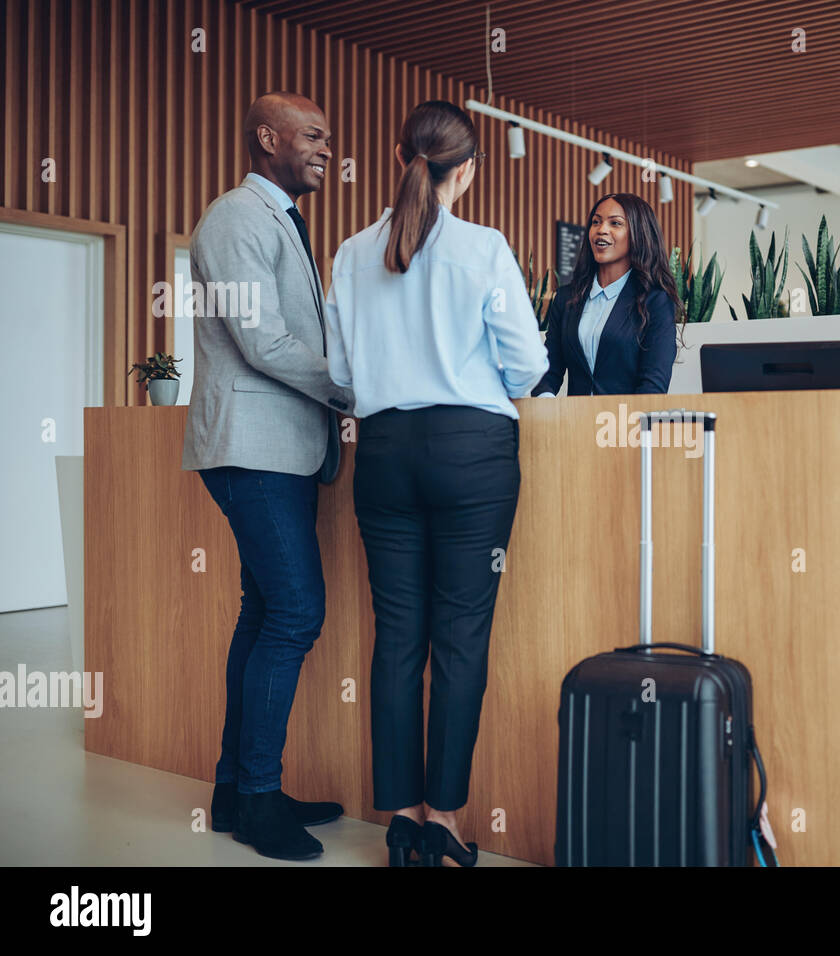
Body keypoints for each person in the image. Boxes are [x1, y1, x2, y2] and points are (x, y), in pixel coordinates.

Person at [323, 100, 548, 867]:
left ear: (398, 154)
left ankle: (403, 820)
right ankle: (446, 820)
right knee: (459, 639)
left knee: (398, 639)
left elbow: (340, 376)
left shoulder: (352, 253)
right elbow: (526, 367)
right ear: (470, 171)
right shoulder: (484, 249)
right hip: (472, 455)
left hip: (382, 454)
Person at [181, 91, 355, 861]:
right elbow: (261, 341)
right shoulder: (235, 219)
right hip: (251, 451)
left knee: (262, 615)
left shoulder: (276, 218)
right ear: (267, 137)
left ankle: (236, 790)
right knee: (295, 615)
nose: (325, 148)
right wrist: (352, 385)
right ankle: (256, 800)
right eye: (313, 135)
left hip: (278, 450)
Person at [531, 192, 680, 396]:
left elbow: (653, 384)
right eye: (596, 222)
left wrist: (625, 424)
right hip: (572, 423)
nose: (601, 230)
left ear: (638, 233)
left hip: (624, 423)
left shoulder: (656, 301)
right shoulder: (566, 298)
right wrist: (546, 403)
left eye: (615, 223)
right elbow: (549, 370)